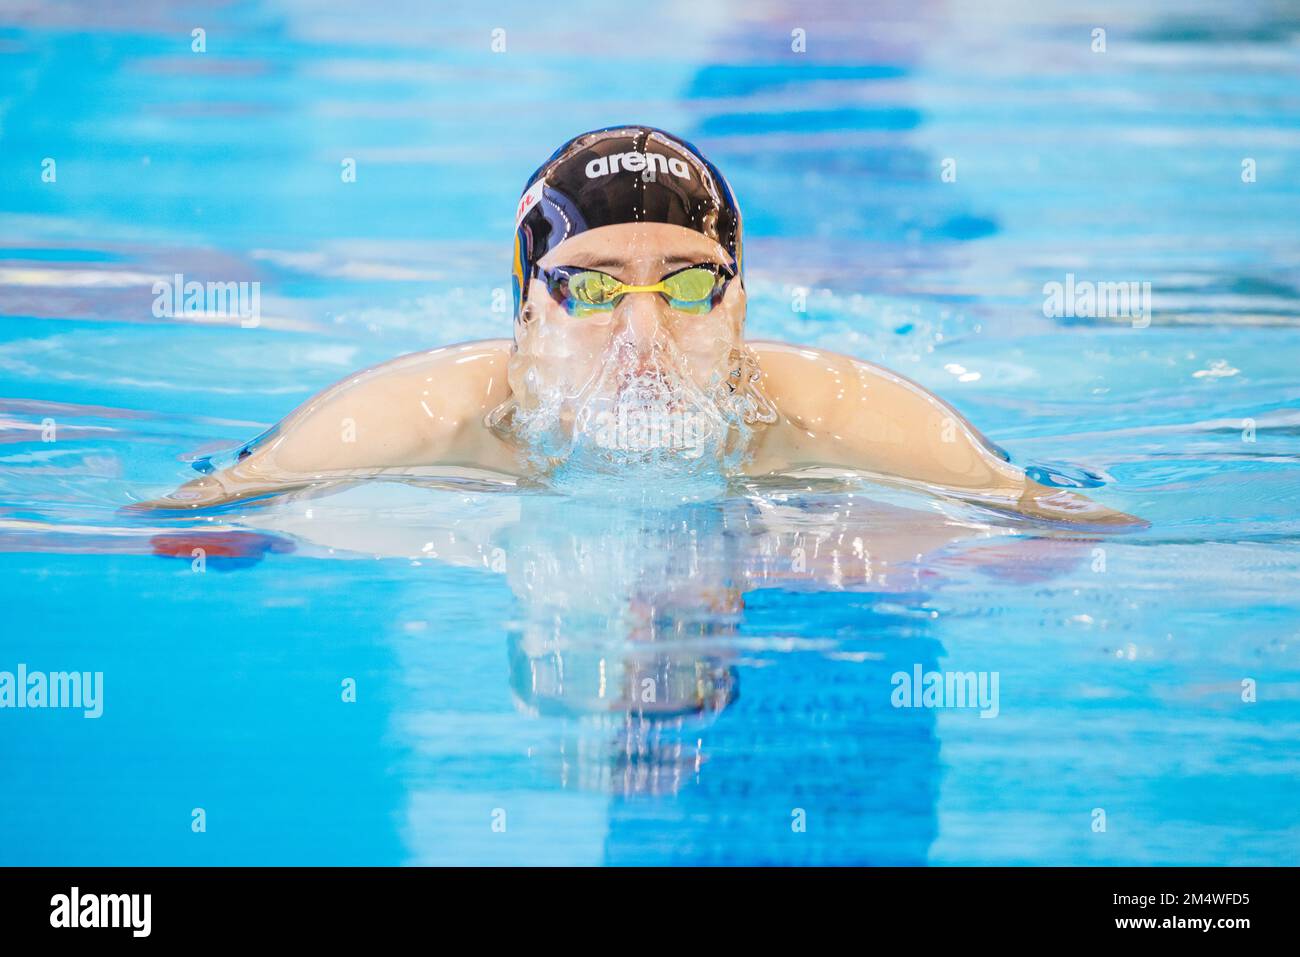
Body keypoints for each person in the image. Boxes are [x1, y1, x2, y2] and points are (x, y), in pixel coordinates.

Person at [145, 125, 1142, 527]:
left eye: (688, 285)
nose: (643, 336)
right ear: (525, 316)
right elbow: (186, 523)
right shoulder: (395, 422)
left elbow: (1064, 531)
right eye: (588, 288)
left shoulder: (854, 419)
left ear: (742, 306)